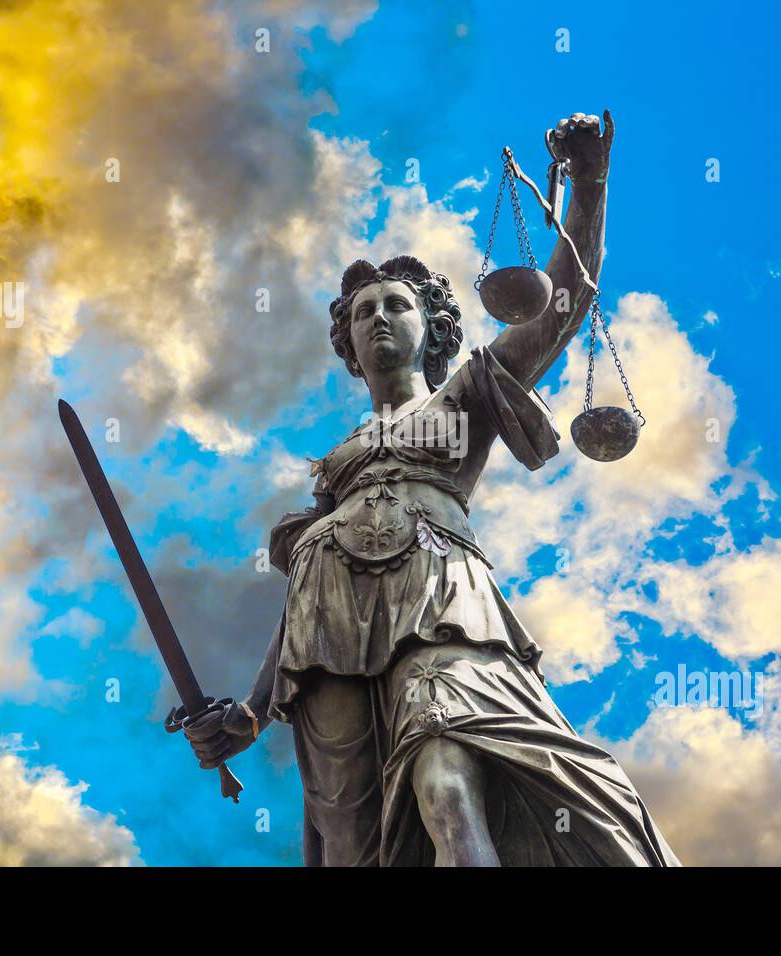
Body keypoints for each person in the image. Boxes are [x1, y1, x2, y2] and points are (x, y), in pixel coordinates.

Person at [182, 111, 679, 867]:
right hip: (327, 633)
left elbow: (565, 299)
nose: (378, 317)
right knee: (356, 842)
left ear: (432, 325)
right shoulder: (336, 468)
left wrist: (588, 180)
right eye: (361, 311)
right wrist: (249, 715)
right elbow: (296, 604)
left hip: (440, 604)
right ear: (346, 341)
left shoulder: (469, 395)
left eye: (396, 305)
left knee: (447, 778)